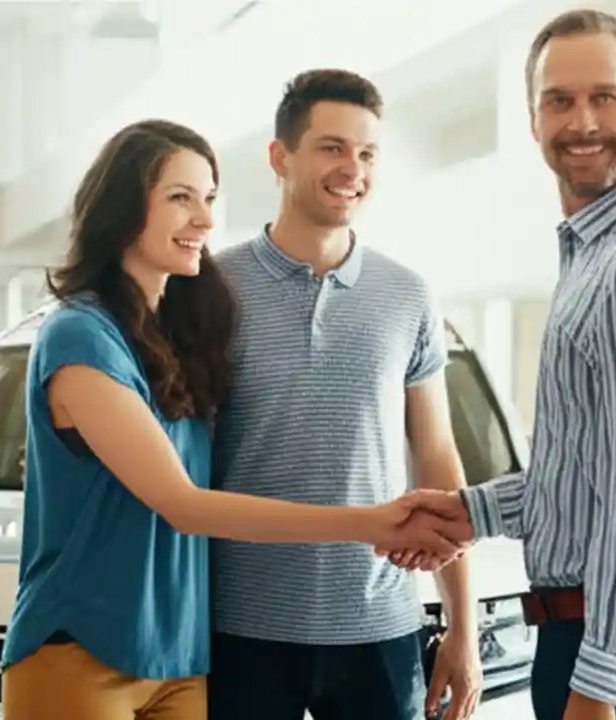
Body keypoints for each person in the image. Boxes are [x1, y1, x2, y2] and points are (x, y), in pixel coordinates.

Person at [0, 119, 465, 720]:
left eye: (210, 198)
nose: (205, 220)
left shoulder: (178, 336)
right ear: (121, 206)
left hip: (182, 660)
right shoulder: (79, 336)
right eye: (180, 198)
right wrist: (370, 523)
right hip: (83, 650)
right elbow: (184, 504)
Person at [397, 10, 616, 720]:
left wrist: (599, 688)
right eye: (559, 100)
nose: (582, 121)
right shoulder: (597, 254)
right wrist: (471, 510)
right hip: (594, 635)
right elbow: (591, 471)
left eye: (603, 97)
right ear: (533, 120)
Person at [204, 70, 482, 720]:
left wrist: (462, 629)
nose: (352, 168)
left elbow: (438, 460)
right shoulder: (212, 288)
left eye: (367, 153)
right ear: (280, 156)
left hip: (379, 624)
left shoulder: (408, 293)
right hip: (241, 626)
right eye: (332, 147)